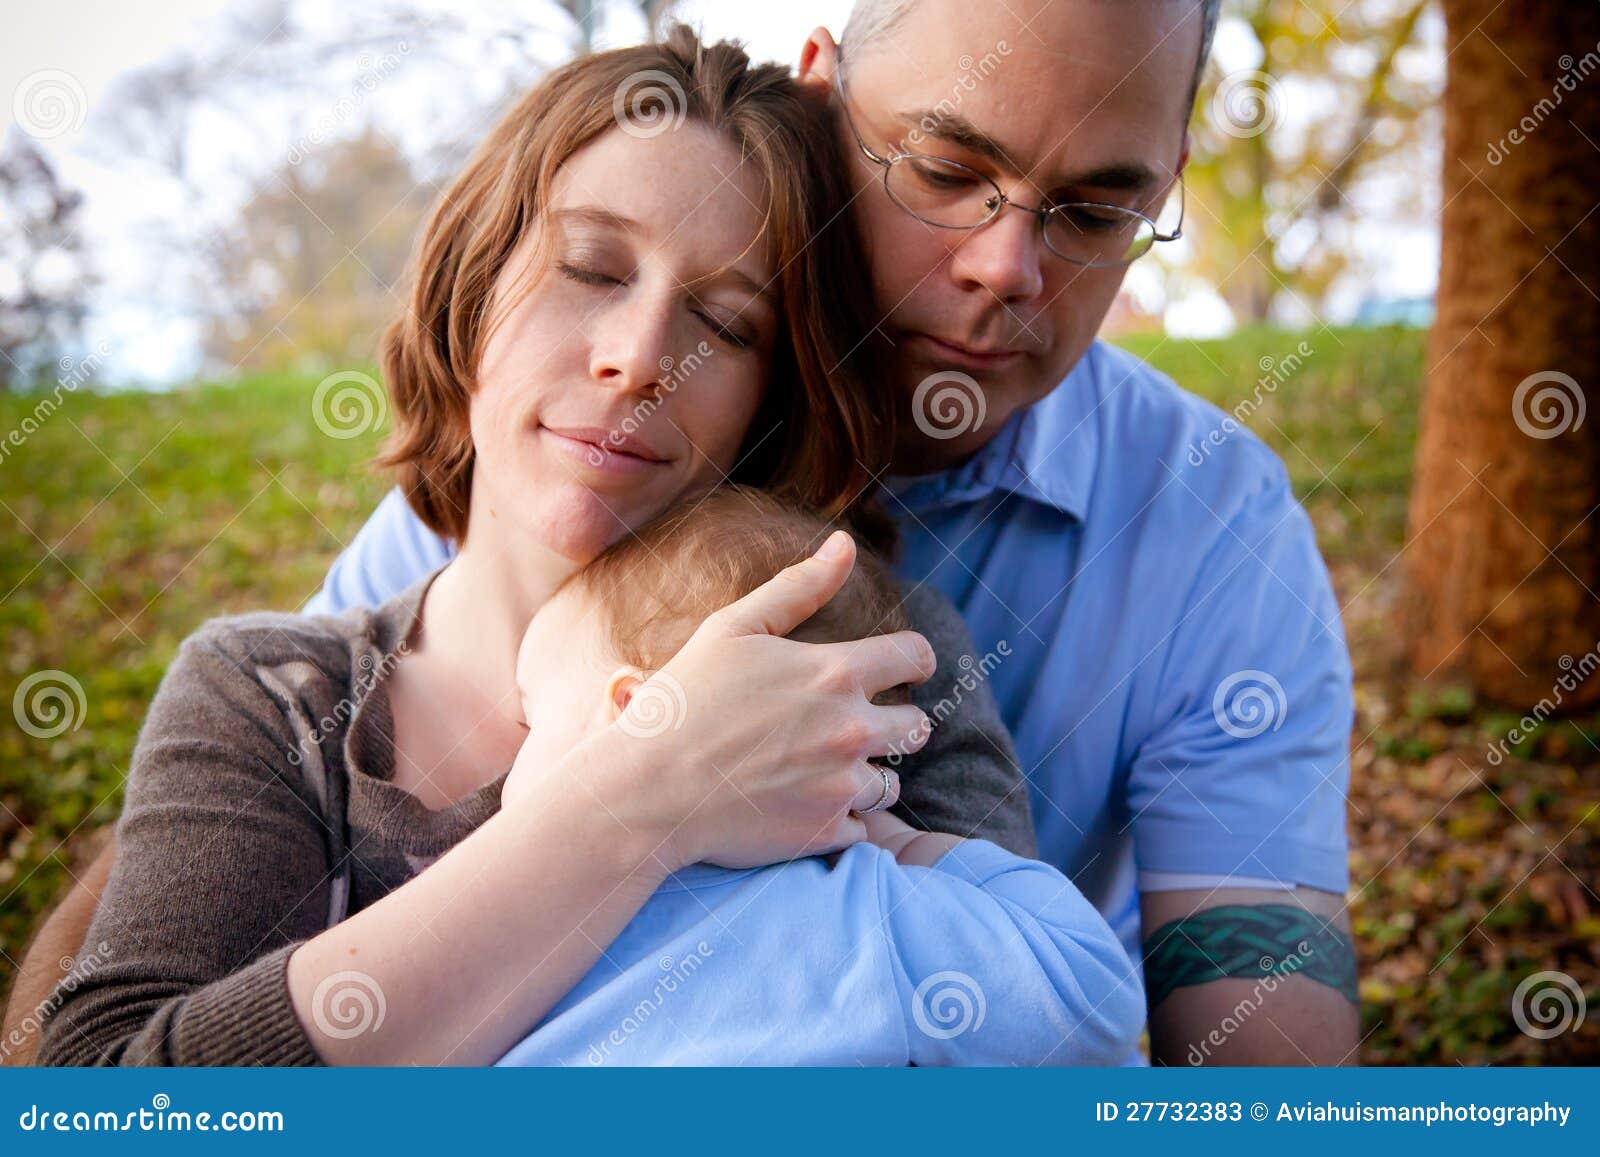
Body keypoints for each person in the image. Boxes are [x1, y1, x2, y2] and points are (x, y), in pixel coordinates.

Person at [14, 0, 1361, 1066]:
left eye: (1094, 210)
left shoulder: (1203, 534)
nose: (1010, 268)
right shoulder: (522, 508)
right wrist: (639, 798)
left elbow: (1254, 1047)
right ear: (829, 94)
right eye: (948, 168)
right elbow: (156, 972)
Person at [493, 486, 1142, 1065]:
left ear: (635, 712)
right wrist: (908, 846)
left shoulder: (531, 929)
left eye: (531, 719)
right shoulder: (873, 917)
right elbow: (1093, 1002)